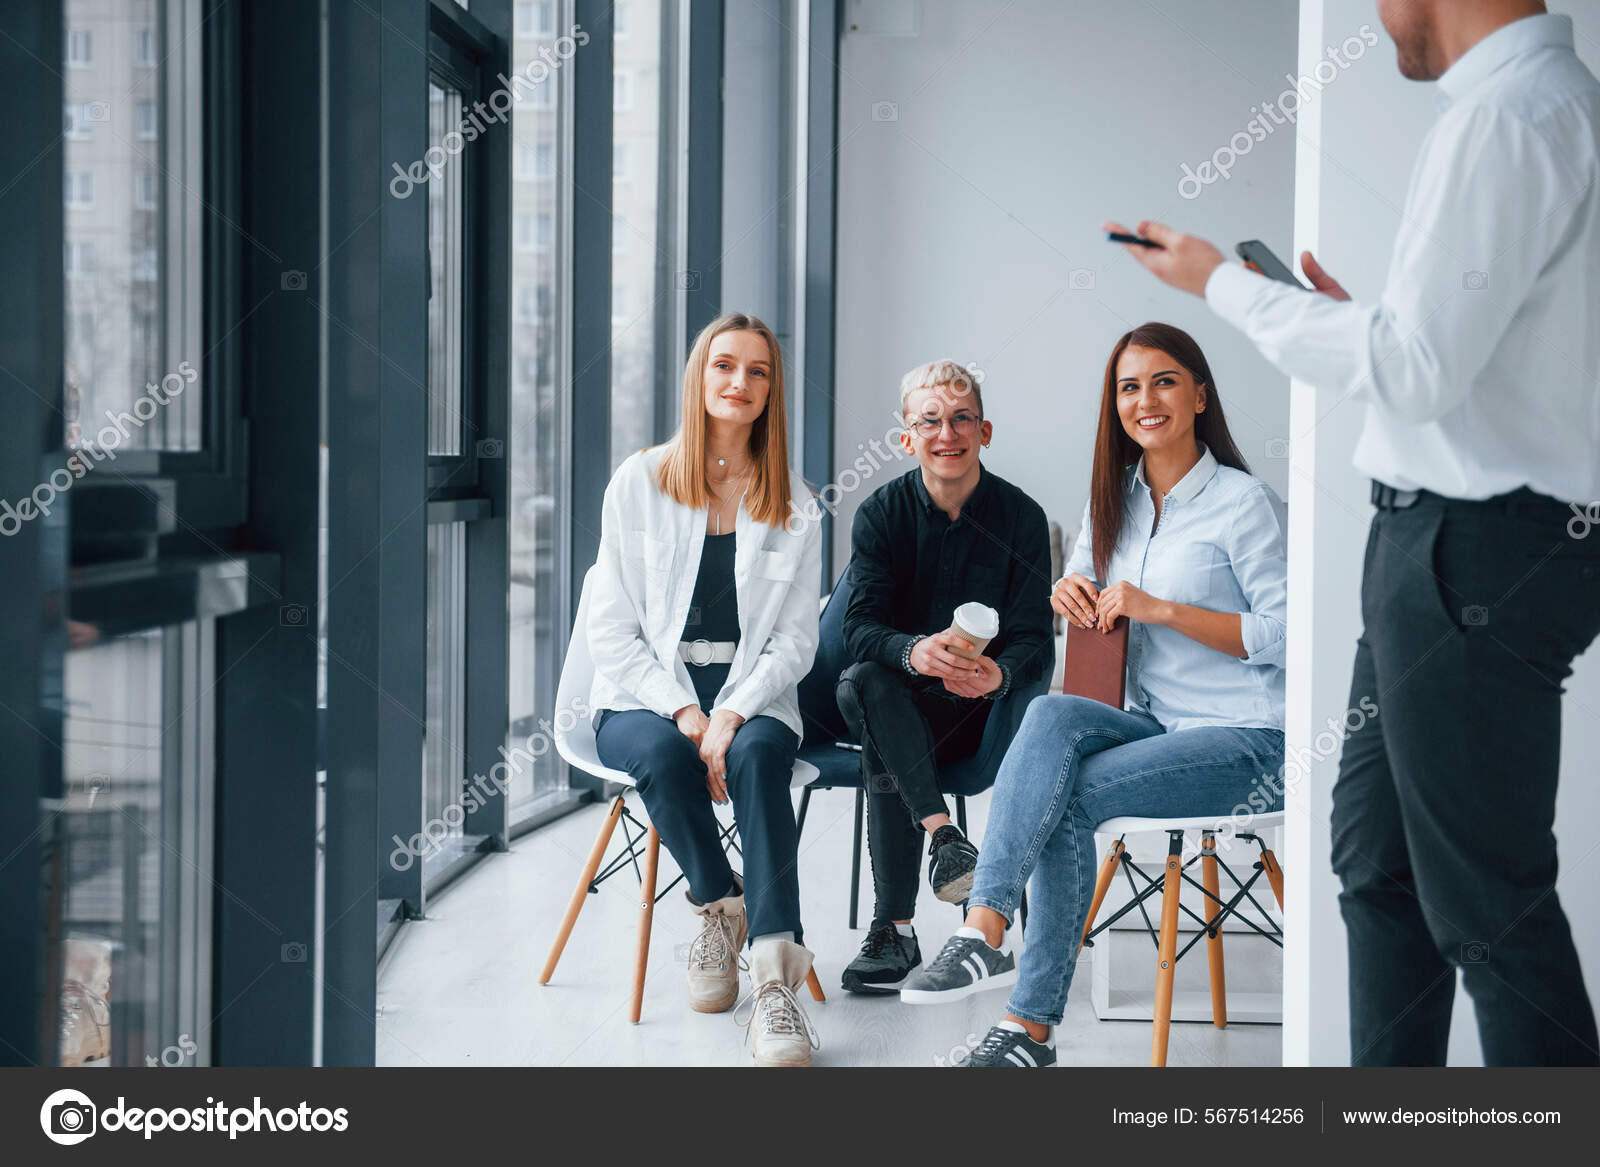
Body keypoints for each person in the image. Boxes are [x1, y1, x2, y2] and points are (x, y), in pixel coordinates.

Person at [1108, 1, 1600, 1065]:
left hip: (1471, 556)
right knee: (1378, 864)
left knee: (1487, 900)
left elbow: (1412, 374)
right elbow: (1453, 356)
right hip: (1455, 552)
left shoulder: (1506, 117)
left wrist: (1217, 283)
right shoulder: (1547, 108)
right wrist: (1352, 322)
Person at [899, 324, 1287, 1069]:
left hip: (1247, 738)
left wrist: (1160, 608)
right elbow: (1079, 585)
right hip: (1151, 723)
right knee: (1048, 711)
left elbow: (1284, 634)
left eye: (1164, 381)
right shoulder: (1114, 501)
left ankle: (1027, 1026)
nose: (1145, 399)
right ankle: (985, 931)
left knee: (1065, 796)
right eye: (1128, 386)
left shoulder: (1244, 503)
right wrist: (1067, 591)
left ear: (1199, 396)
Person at [586, 312, 823, 1067]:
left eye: (758, 371)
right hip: (645, 693)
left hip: (753, 693)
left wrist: (731, 711)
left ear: (772, 389)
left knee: (757, 757)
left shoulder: (796, 502)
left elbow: (795, 641)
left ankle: (776, 982)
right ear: (699, 375)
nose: (739, 382)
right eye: (725, 365)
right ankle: (723, 905)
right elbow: (609, 630)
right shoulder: (640, 481)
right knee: (662, 756)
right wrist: (686, 710)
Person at [835, 359, 1054, 994]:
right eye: (929, 421)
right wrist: (912, 652)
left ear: (985, 431)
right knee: (866, 681)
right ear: (907, 437)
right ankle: (946, 837)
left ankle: (893, 932)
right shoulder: (880, 514)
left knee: (881, 736)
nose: (947, 434)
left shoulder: (1022, 517)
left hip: (978, 718)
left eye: (962, 419)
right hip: (895, 699)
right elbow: (858, 627)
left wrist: (999, 675)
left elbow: (1036, 638)